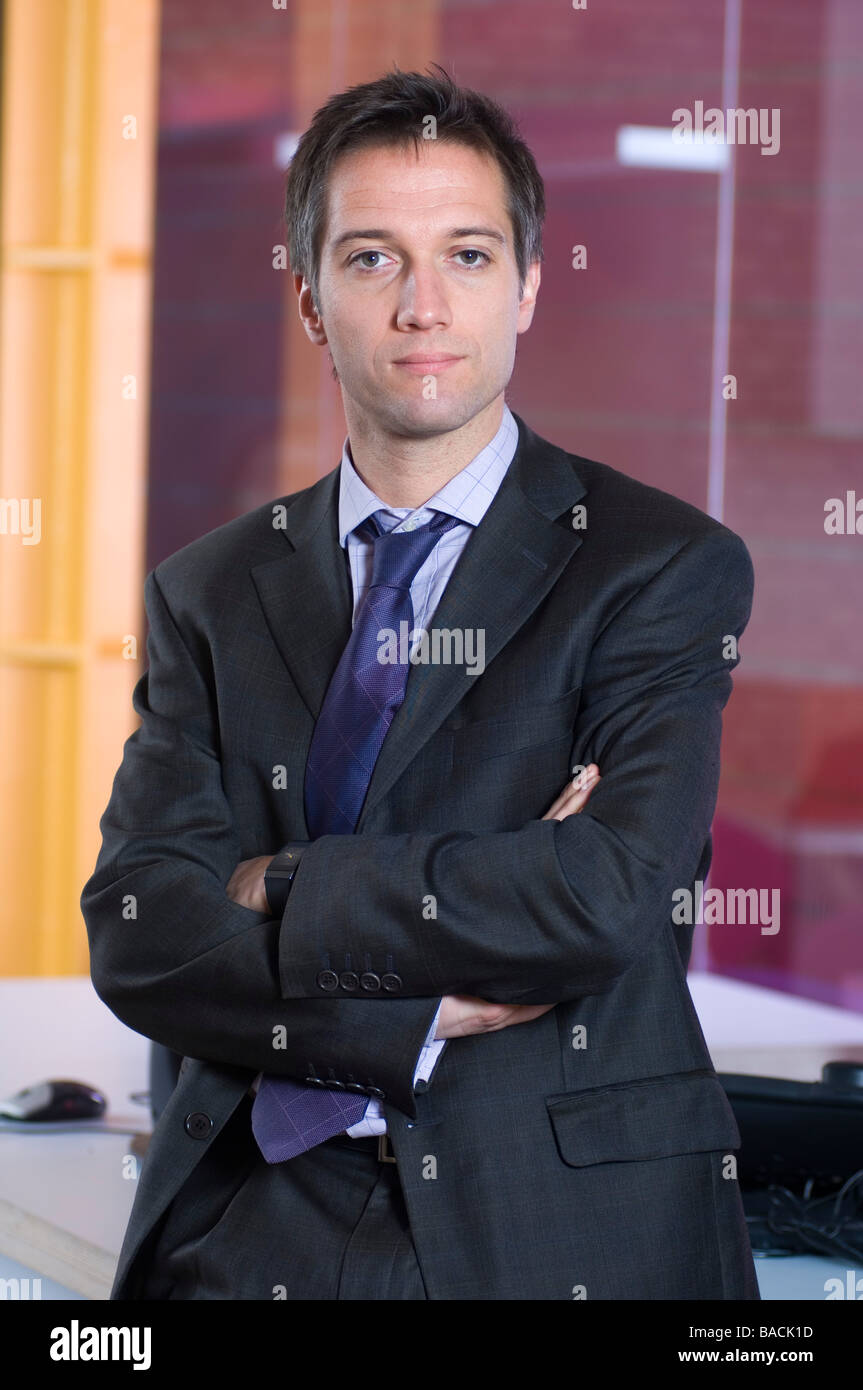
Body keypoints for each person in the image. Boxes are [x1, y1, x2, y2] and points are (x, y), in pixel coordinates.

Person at [81, 64, 760, 1300]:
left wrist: (283, 884)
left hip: (555, 1228)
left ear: (529, 287)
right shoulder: (208, 590)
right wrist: (416, 1005)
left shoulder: (657, 568)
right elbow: (139, 933)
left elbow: (605, 894)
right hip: (250, 1220)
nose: (423, 307)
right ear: (309, 300)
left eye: (466, 254)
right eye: (372, 259)